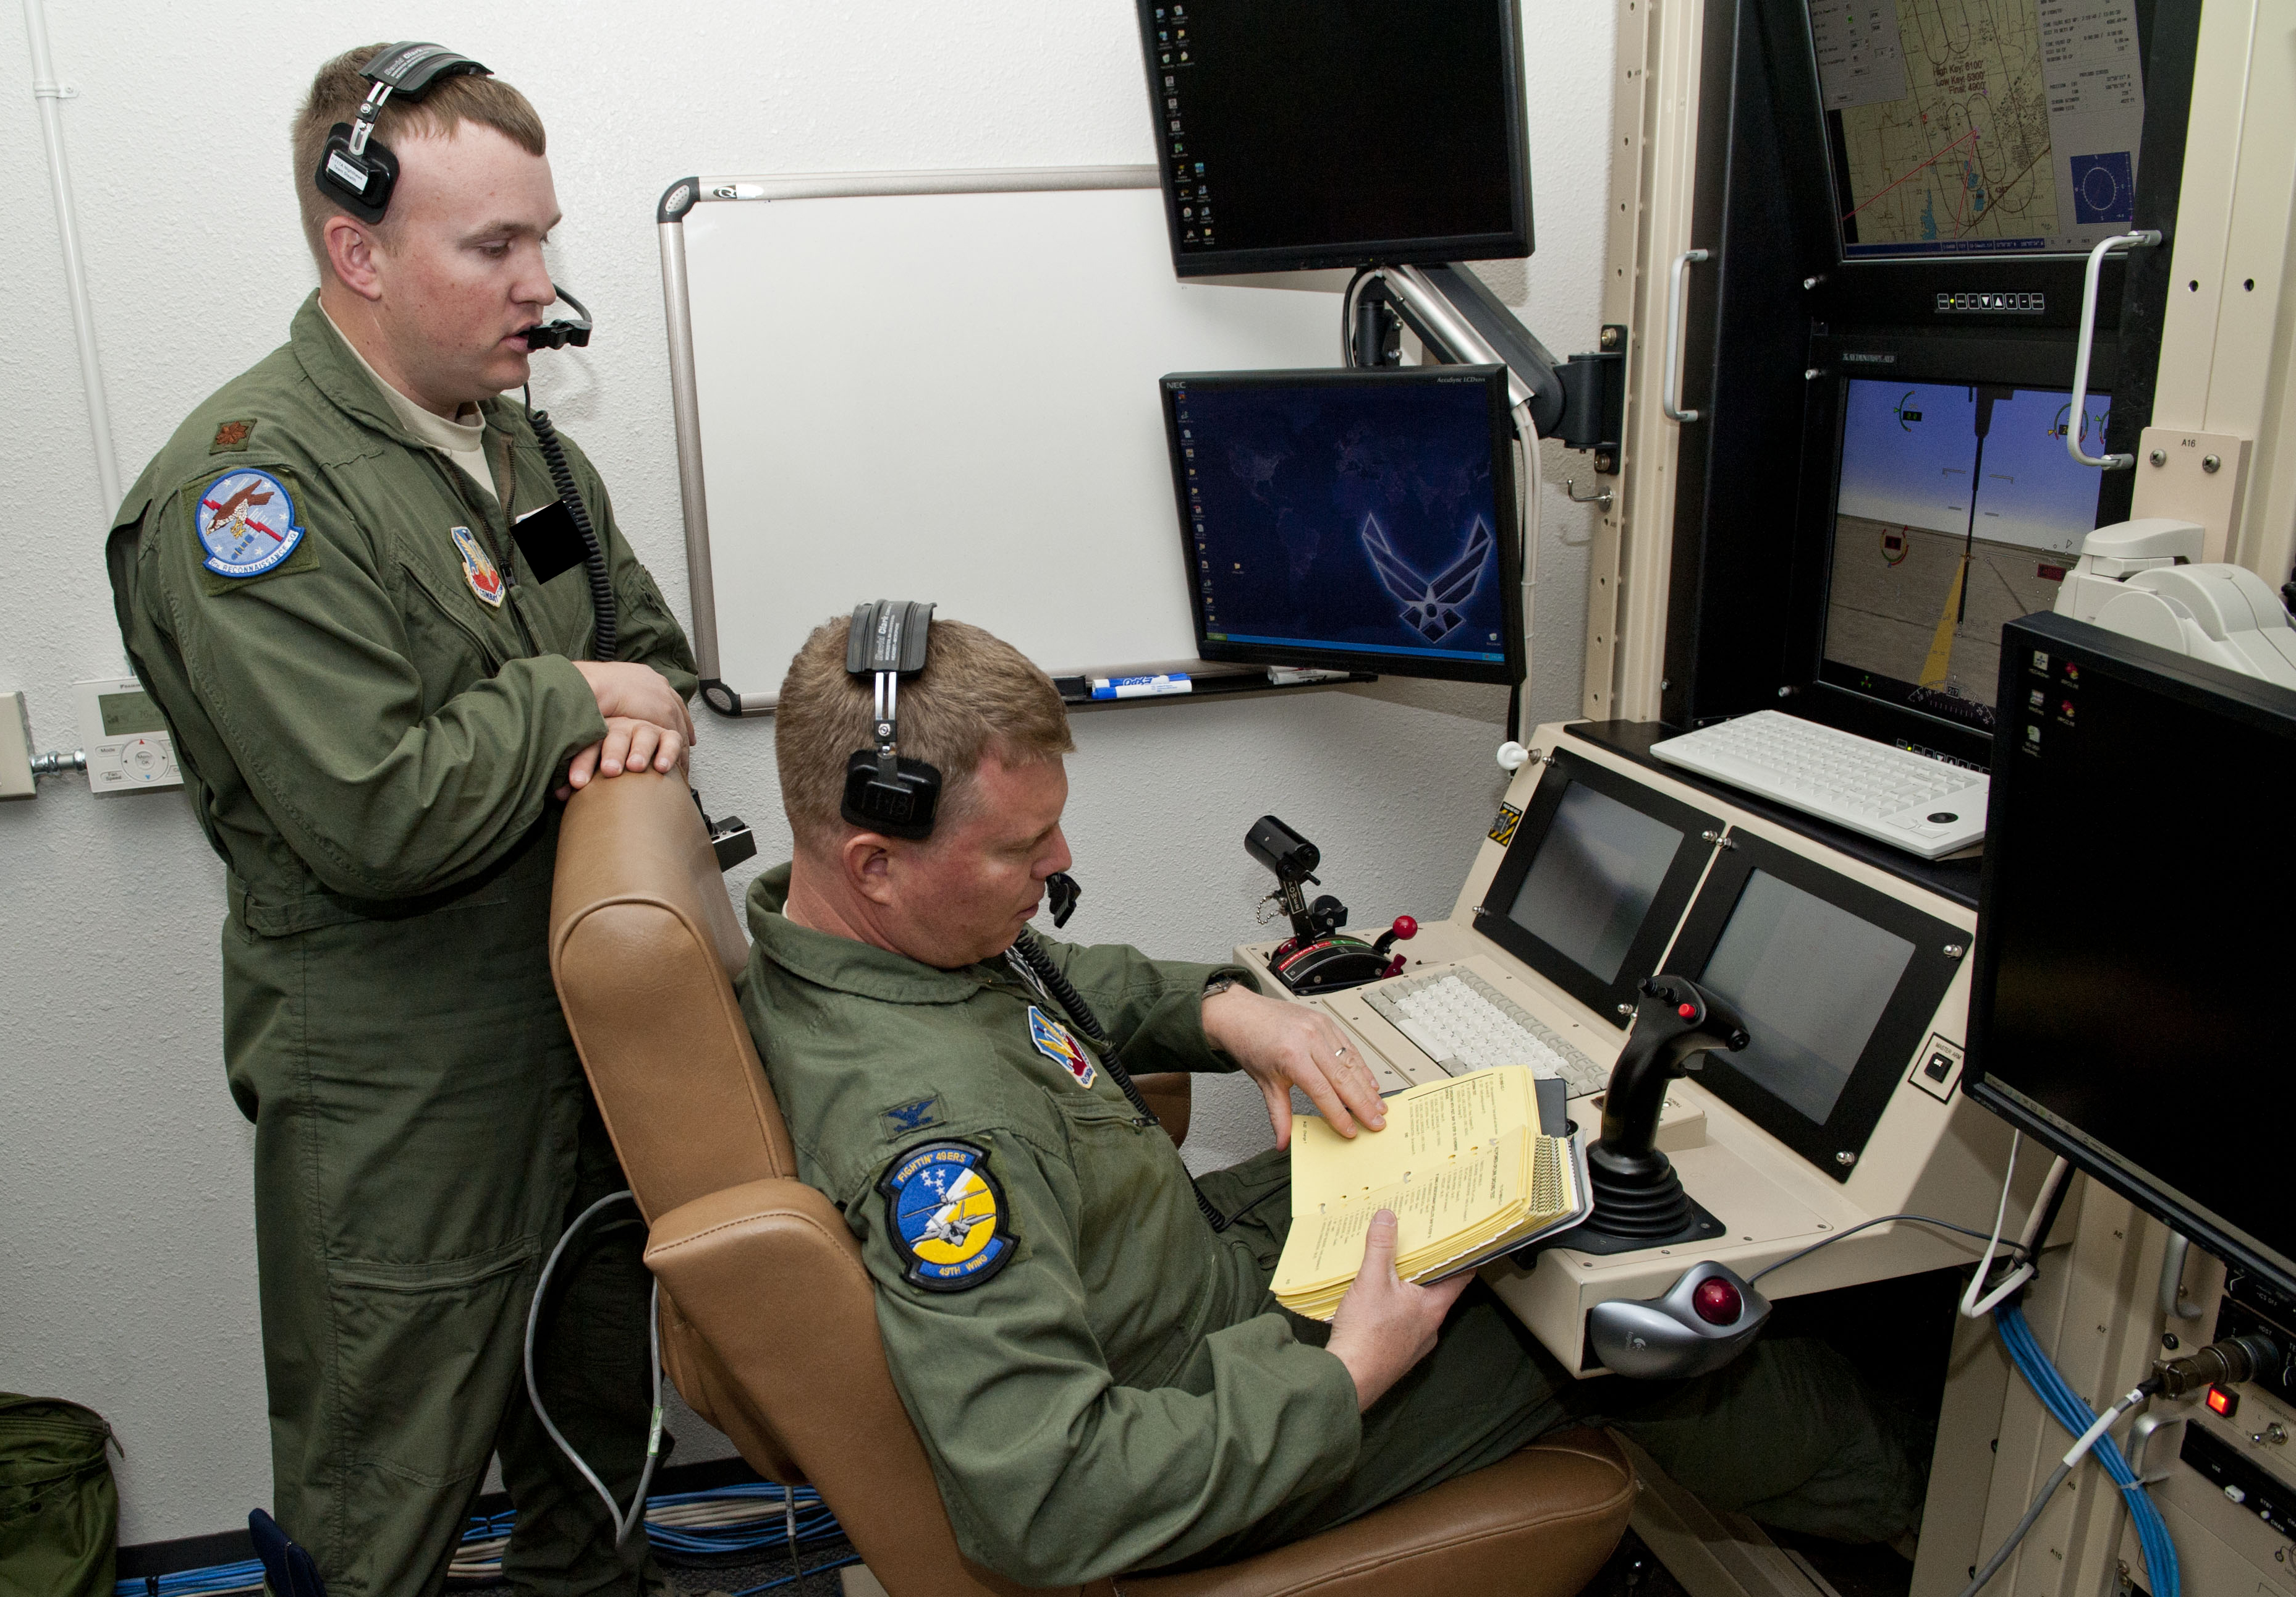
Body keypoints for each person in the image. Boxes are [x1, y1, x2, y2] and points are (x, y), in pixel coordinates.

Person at [737, 615, 1928, 1585]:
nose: (1057, 868)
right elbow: (1051, 1498)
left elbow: (1053, 985)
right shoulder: (943, 1147)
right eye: (1022, 849)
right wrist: (1350, 1371)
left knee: (1525, 1189)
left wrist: (1229, 1010)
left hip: (1208, 1280)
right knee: (1622, 1323)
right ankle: (1924, 1510)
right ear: (878, 863)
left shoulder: (853, 941)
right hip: (1215, 1407)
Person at [104, 45, 697, 1597]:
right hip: (402, 1101)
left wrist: (613, 693)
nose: (539, 282)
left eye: (542, 238)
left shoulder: (517, 447)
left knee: (598, 1457)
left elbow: (656, 649)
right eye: (494, 247)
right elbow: (380, 807)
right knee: (389, 1508)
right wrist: (574, 705)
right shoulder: (251, 495)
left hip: (582, 1046)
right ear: (356, 250)